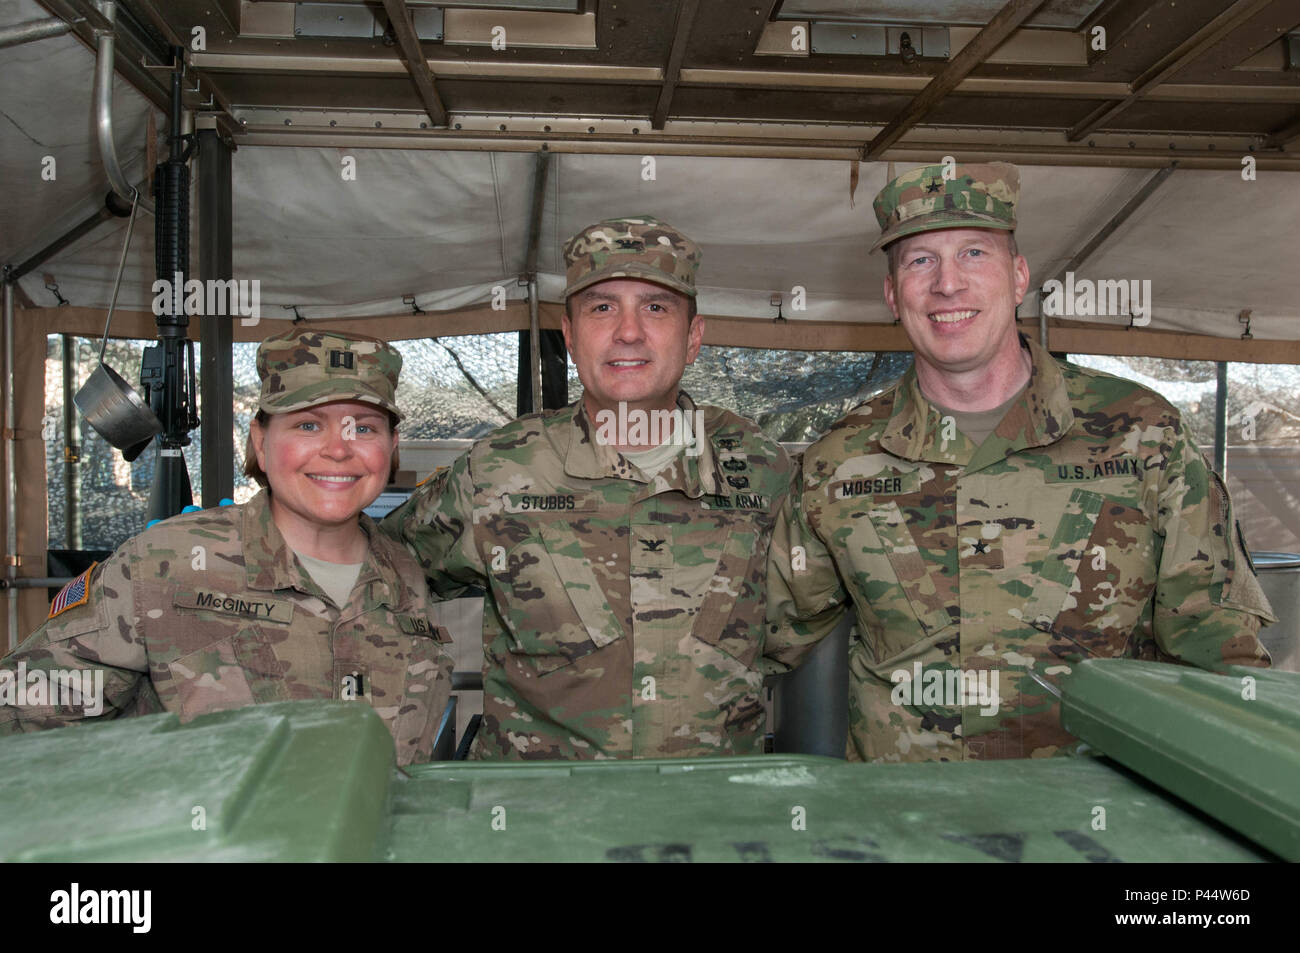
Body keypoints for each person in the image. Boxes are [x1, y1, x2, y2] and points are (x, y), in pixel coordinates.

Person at [768, 161, 1275, 763]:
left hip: (1095, 801)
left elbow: (1217, 650)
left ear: (1018, 278)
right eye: (920, 261)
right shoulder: (839, 461)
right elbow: (758, 636)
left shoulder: (1144, 435)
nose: (948, 285)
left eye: (974, 253)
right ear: (891, 295)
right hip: (907, 807)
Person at [384, 214, 816, 759]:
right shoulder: (498, 469)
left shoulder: (762, 469)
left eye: (655, 307)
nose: (628, 332)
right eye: (602, 307)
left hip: (710, 803)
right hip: (541, 806)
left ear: (693, 337)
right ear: (569, 336)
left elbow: (804, 617)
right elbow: (377, 575)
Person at [0, 329, 454, 766]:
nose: (339, 449)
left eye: (365, 428)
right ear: (260, 441)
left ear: (392, 446)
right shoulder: (166, 564)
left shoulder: (407, 578)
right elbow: (20, 721)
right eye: (308, 424)